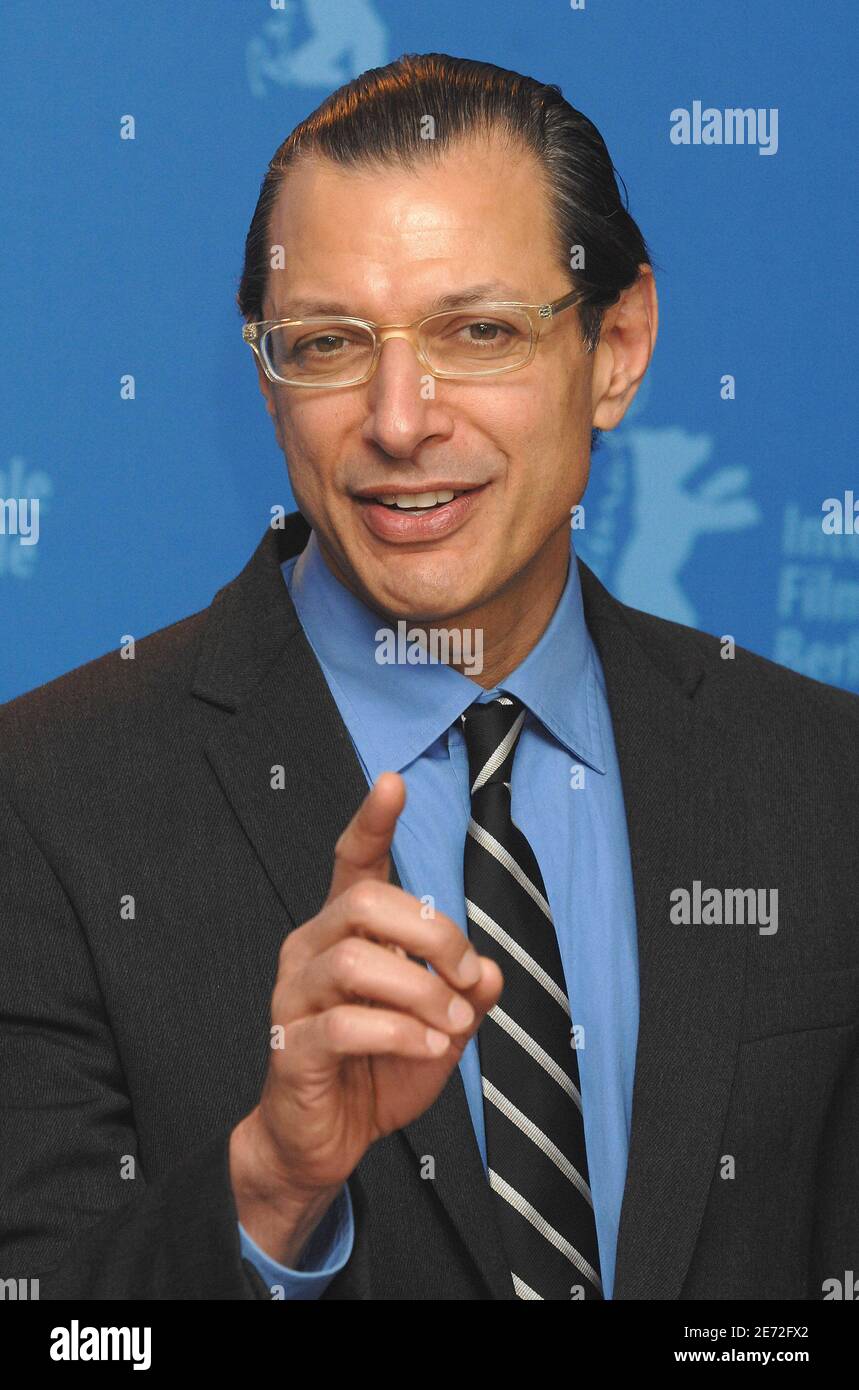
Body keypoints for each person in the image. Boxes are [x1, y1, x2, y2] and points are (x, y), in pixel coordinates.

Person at [1, 52, 857, 1302]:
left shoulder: (825, 778)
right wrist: (271, 1186)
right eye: (328, 344)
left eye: (480, 332)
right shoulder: (43, 800)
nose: (400, 419)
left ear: (616, 347)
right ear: (268, 381)